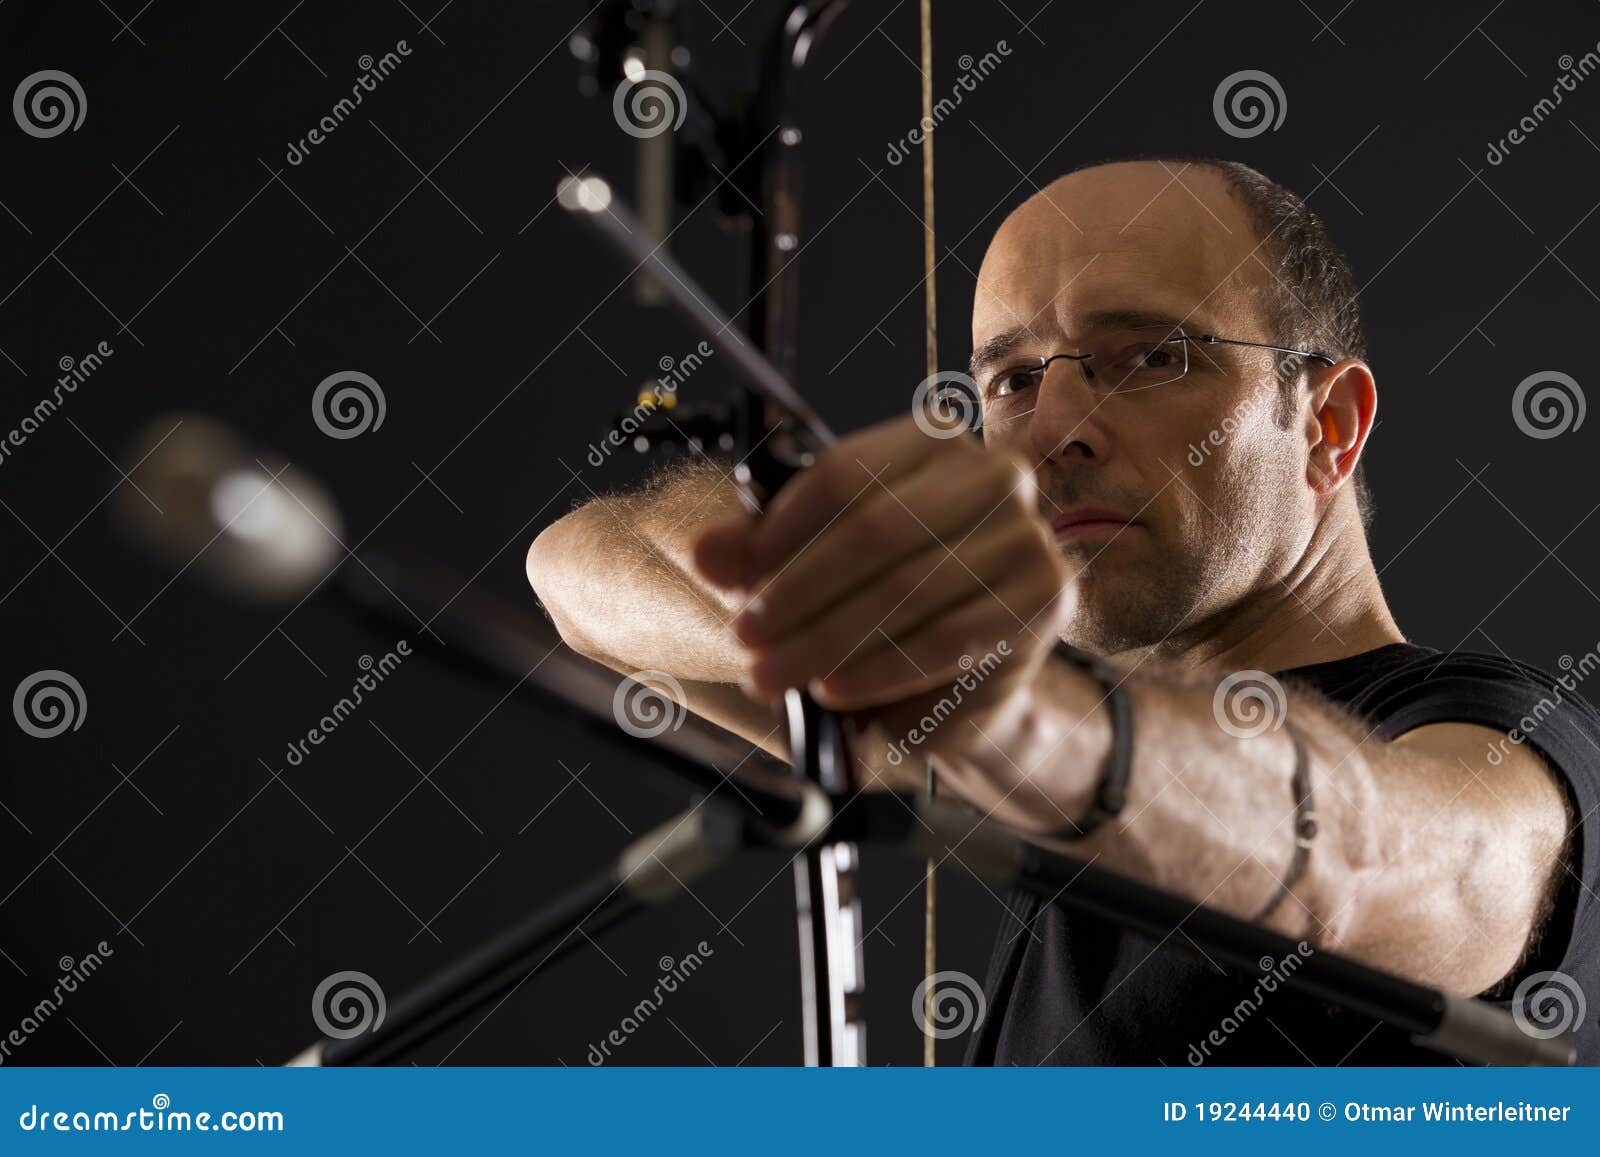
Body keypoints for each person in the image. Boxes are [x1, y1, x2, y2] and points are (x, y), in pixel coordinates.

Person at [525, 157, 1600, 1064]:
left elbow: (1363, 861)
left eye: (1152, 357)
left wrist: (1023, 719)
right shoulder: (1003, 726)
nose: (1058, 428)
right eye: (1012, 379)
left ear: (1326, 423)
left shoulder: (1505, 748)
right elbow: (579, 570)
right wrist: (865, 617)